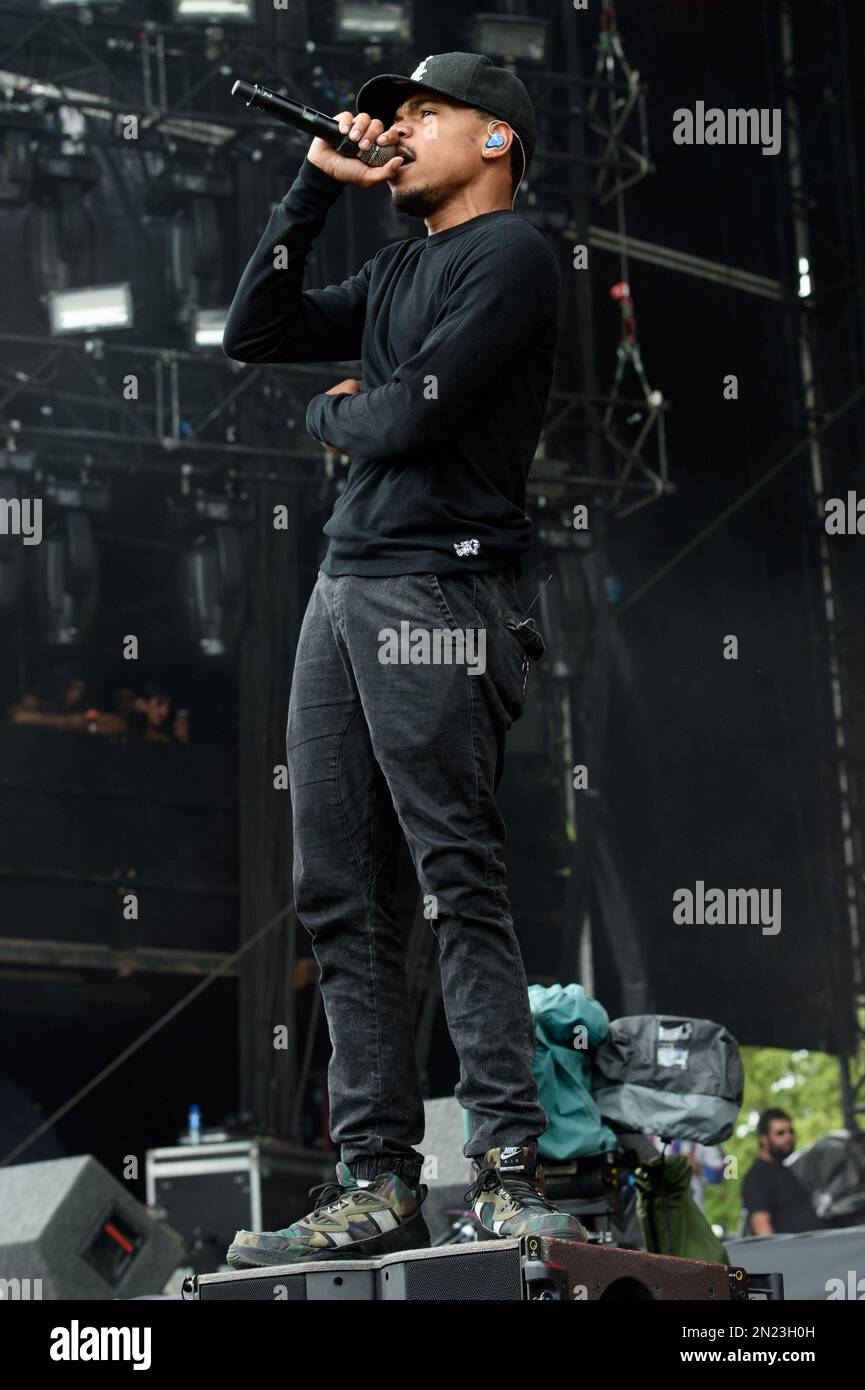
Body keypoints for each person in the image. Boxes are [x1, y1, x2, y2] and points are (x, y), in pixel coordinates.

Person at [222, 51, 584, 1268]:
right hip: (346, 586)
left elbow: (407, 413)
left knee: (452, 879)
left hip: (442, 586)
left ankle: (510, 1170)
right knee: (338, 896)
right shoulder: (391, 267)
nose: (398, 129)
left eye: (424, 114)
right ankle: (373, 1178)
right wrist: (312, 188)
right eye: (392, 115)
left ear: (494, 141)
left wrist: (336, 413)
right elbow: (252, 329)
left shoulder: (513, 255)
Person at [741, 1109, 819, 1236]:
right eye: (780, 1133)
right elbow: (761, 1224)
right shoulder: (757, 1176)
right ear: (764, 1139)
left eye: (791, 1131)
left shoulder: (785, 1170)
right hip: (791, 1253)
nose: (788, 1137)